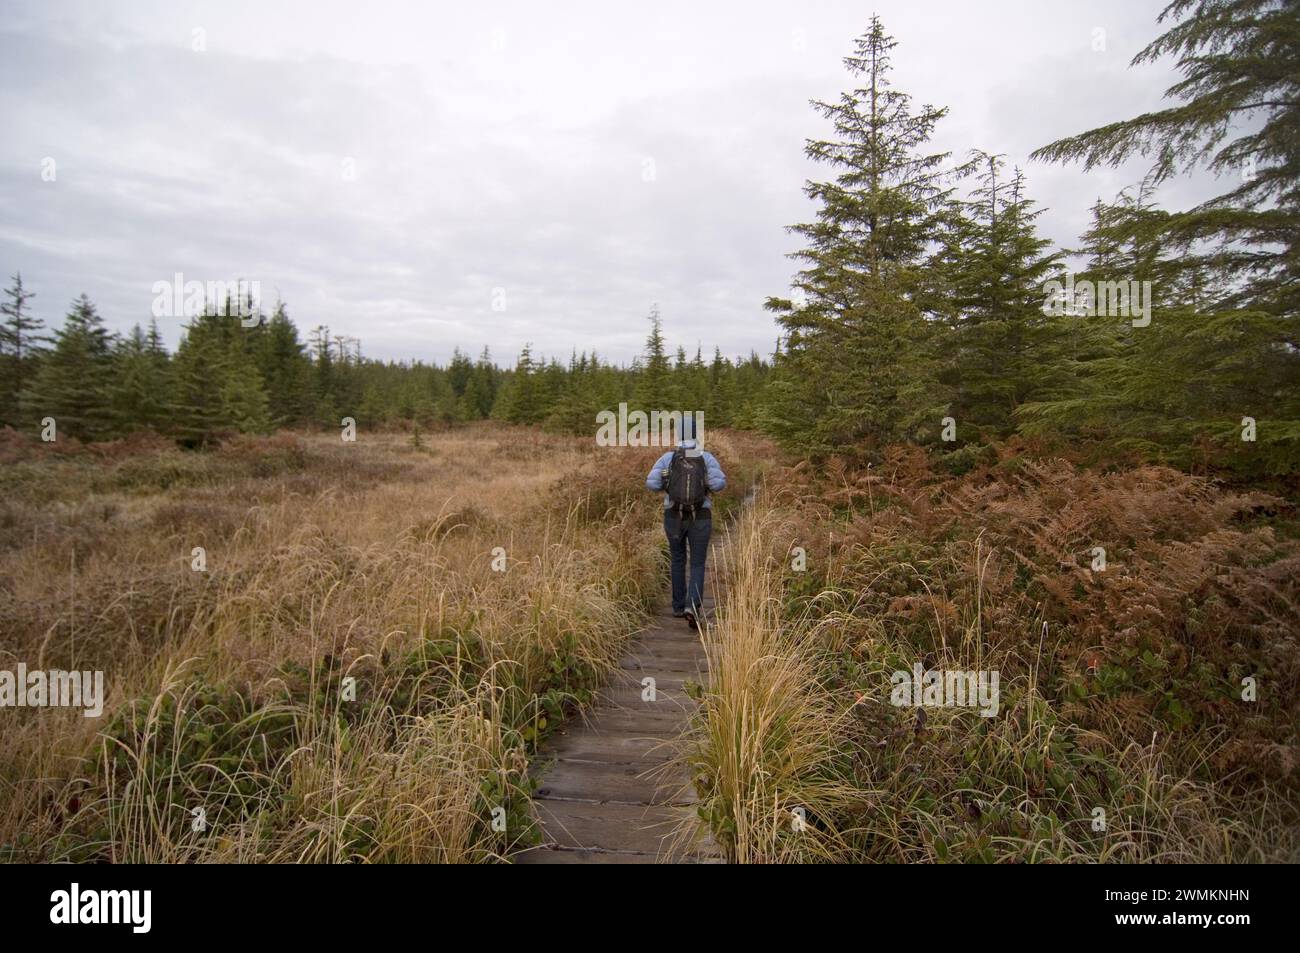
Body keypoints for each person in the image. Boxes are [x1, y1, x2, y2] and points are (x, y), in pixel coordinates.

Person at [645, 417, 726, 628]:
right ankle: (693, 605)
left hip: (673, 516)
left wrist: (668, 481)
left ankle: (678, 606)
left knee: (677, 560)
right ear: (697, 434)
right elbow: (719, 484)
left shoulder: (668, 458)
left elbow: (652, 483)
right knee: (698, 563)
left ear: (678, 434)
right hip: (700, 516)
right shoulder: (705, 457)